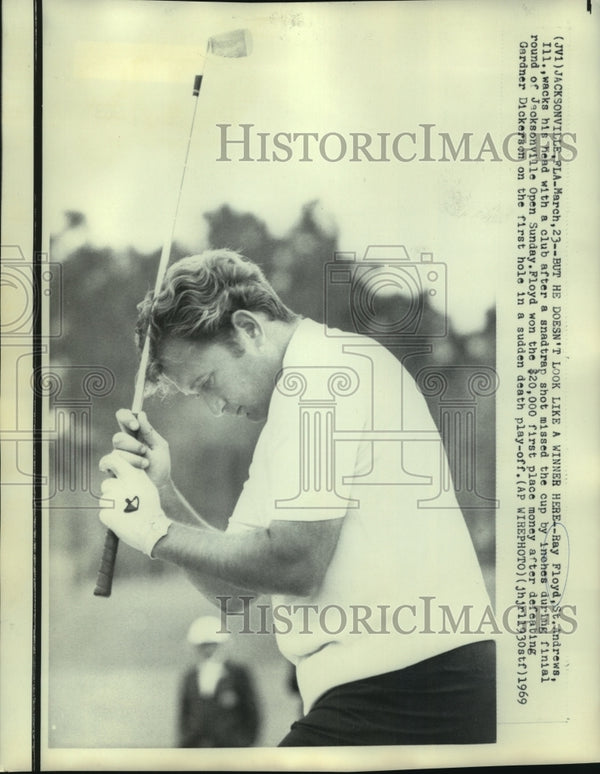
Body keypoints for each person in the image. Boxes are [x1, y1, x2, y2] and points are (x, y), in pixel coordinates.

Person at [98, 249, 496, 746]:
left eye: (207, 382)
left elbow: (296, 562)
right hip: (385, 695)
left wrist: (155, 534)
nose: (216, 407)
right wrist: (163, 496)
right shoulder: (295, 403)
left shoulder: (323, 376)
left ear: (248, 328)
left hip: (415, 691)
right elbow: (237, 596)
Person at [177, 615, 259, 748]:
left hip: (232, 747)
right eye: (203, 646)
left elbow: (251, 712)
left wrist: (244, 742)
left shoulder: (238, 673)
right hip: (197, 746)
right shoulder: (190, 677)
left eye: (212, 645)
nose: (208, 650)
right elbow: (184, 714)